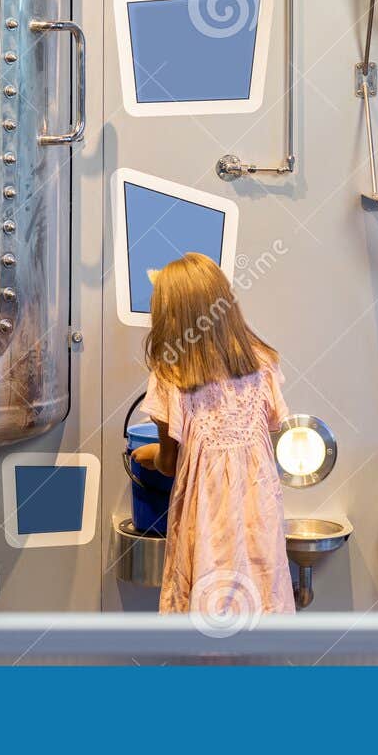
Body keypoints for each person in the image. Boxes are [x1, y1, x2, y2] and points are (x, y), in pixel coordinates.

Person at [132, 252, 294, 618]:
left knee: (208, 608)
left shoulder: (170, 375)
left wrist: (148, 456)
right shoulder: (261, 364)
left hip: (205, 515)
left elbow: (170, 464)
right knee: (261, 598)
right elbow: (265, 431)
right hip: (258, 512)